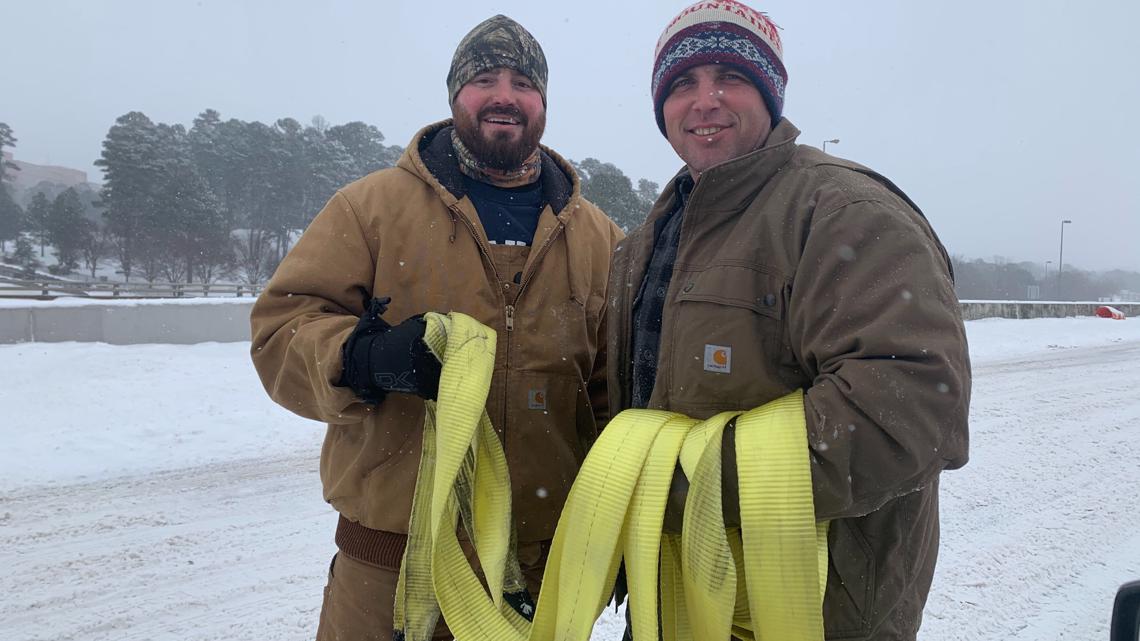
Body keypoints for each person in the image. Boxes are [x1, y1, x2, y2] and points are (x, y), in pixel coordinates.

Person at [249, 14, 622, 641]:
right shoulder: (370, 209)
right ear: (455, 96)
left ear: (543, 102)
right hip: (388, 567)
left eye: (523, 83)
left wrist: (615, 533)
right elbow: (279, 331)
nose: (504, 95)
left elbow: (615, 397)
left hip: (538, 570)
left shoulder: (601, 239)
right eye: (484, 79)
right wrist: (362, 358)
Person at [606, 2, 971, 639]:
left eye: (731, 77)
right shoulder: (646, 239)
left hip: (817, 610)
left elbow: (911, 412)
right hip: (675, 600)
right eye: (683, 83)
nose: (705, 101)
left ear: (770, 94)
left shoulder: (847, 213)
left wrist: (684, 486)